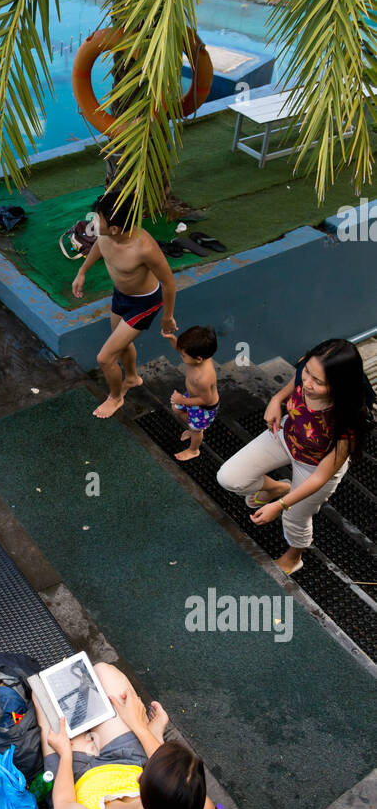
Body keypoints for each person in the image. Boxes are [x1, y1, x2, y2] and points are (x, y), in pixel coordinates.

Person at [35, 662, 216, 809]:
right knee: (103, 671)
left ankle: (90, 743)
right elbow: (173, 785)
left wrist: (66, 754)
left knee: (42, 693)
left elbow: (63, 805)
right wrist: (139, 726)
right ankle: (151, 731)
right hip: (125, 764)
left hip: (74, 787)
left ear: (141, 782)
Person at [216, 339, 374, 575]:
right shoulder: (306, 368)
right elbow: (295, 382)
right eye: (307, 373)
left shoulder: (348, 419)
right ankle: (279, 487)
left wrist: (280, 506)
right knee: (229, 478)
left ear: (340, 385)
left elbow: (321, 477)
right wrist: (276, 400)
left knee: (295, 518)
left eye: (318, 382)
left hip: (315, 465)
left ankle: (294, 557)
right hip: (286, 435)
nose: (307, 383)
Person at [72, 189, 177, 418]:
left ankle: (116, 397)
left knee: (105, 357)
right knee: (120, 345)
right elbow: (99, 246)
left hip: (144, 303)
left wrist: (167, 316)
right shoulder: (106, 234)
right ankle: (131, 377)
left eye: (99, 218)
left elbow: (169, 283)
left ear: (115, 229)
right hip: (120, 296)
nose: (94, 220)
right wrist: (82, 271)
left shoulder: (144, 248)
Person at [170, 325, 220, 461]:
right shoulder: (200, 355)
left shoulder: (204, 378)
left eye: (183, 355)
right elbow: (182, 349)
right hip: (191, 398)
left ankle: (194, 450)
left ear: (198, 359)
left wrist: (182, 400)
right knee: (176, 409)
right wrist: (172, 338)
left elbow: (205, 400)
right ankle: (194, 428)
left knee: (196, 430)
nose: (181, 356)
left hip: (203, 408)